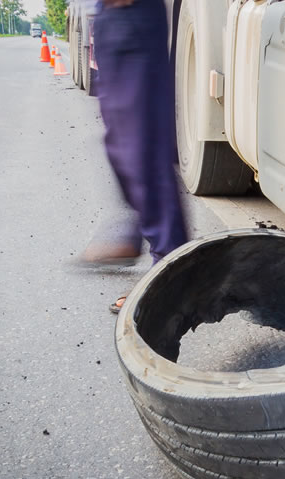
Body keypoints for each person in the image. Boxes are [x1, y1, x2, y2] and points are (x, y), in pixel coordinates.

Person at [79, 0, 187, 313]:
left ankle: (171, 273)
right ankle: (135, 233)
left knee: (140, 149)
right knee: (122, 144)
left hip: (130, 12)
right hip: (111, 17)